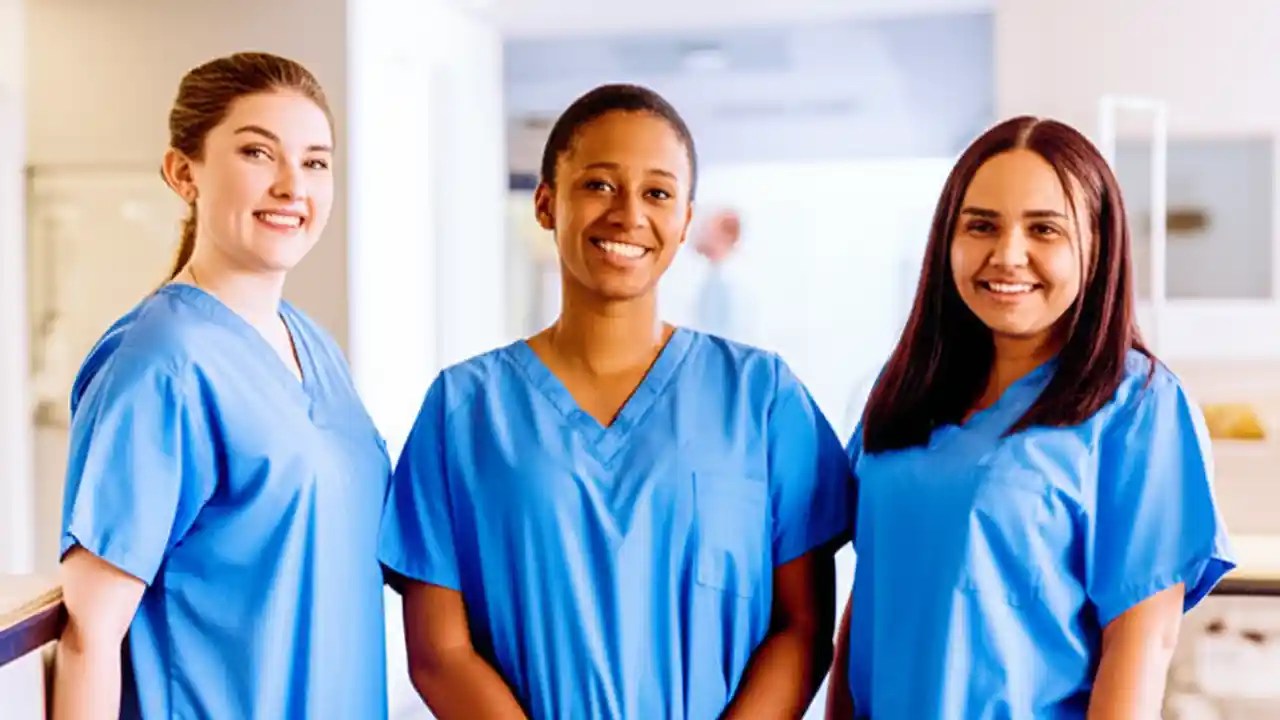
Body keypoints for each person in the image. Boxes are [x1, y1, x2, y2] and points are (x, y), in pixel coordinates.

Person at [379, 83, 853, 719]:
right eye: (599, 184)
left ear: (685, 219)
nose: (628, 214)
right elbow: (439, 651)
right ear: (546, 203)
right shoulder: (464, 410)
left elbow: (802, 627)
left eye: (657, 192)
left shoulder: (762, 398)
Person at [825, 116, 1235, 719]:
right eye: (981, 226)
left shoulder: (1137, 407)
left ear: (1096, 244)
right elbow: (871, 603)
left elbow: (1142, 644)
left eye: (1044, 229)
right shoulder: (907, 391)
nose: (1007, 255)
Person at [54, 52, 390, 719]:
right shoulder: (160, 362)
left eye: (315, 161)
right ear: (184, 173)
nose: (293, 185)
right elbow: (91, 635)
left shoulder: (312, 346)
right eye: (259, 154)